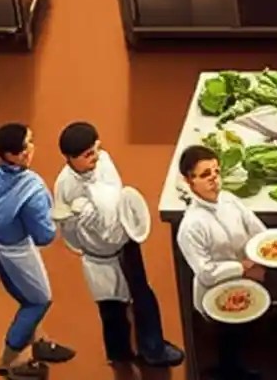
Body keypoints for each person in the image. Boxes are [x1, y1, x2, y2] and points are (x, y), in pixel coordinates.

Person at [52, 123, 184, 368]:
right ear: (70, 158)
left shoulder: (104, 161)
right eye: (87, 155)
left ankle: (154, 349)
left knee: (143, 296)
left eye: (96, 150)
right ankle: (120, 354)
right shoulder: (64, 187)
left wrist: (106, 215)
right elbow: (67, 233)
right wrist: (79, 224)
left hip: (125, 242)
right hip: (99, 257)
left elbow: (117, 196)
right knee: (111, 308)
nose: (95, 157)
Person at [0, 124, 76, 379]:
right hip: (20, 254)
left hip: (1, 249)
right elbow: (44, 236)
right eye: (27, 144)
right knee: (37, 302)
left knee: (27, 297)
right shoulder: (33, 190)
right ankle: (10, 361)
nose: (33, 147)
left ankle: (40, 342)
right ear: (13, 155)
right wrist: (59, 219)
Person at [175, 145, 267, 380]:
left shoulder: (229, 200)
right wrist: (243, 268)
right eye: (206, 175)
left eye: (216, 172)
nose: (214, 179)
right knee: (224, 344)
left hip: (246, 284)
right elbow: (206, 273)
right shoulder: (191, 226)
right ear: (189, 180)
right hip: (215, 295)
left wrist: (262, 254)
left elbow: (257, 229)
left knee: (240, 340)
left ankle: (238, 369)